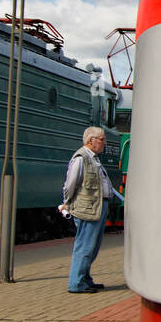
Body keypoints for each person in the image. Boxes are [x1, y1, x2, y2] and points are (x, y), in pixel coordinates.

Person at [60, 126, 124, 294]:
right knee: (85, 246)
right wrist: (67, 202)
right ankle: (76, 283)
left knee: (92, 246)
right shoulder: (81, 158)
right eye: (102, 140)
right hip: (87, 208)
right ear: (91, 141)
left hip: (97, 206)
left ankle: (85, 279)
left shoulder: (93, 158)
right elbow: (70, 184)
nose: (105, 143)